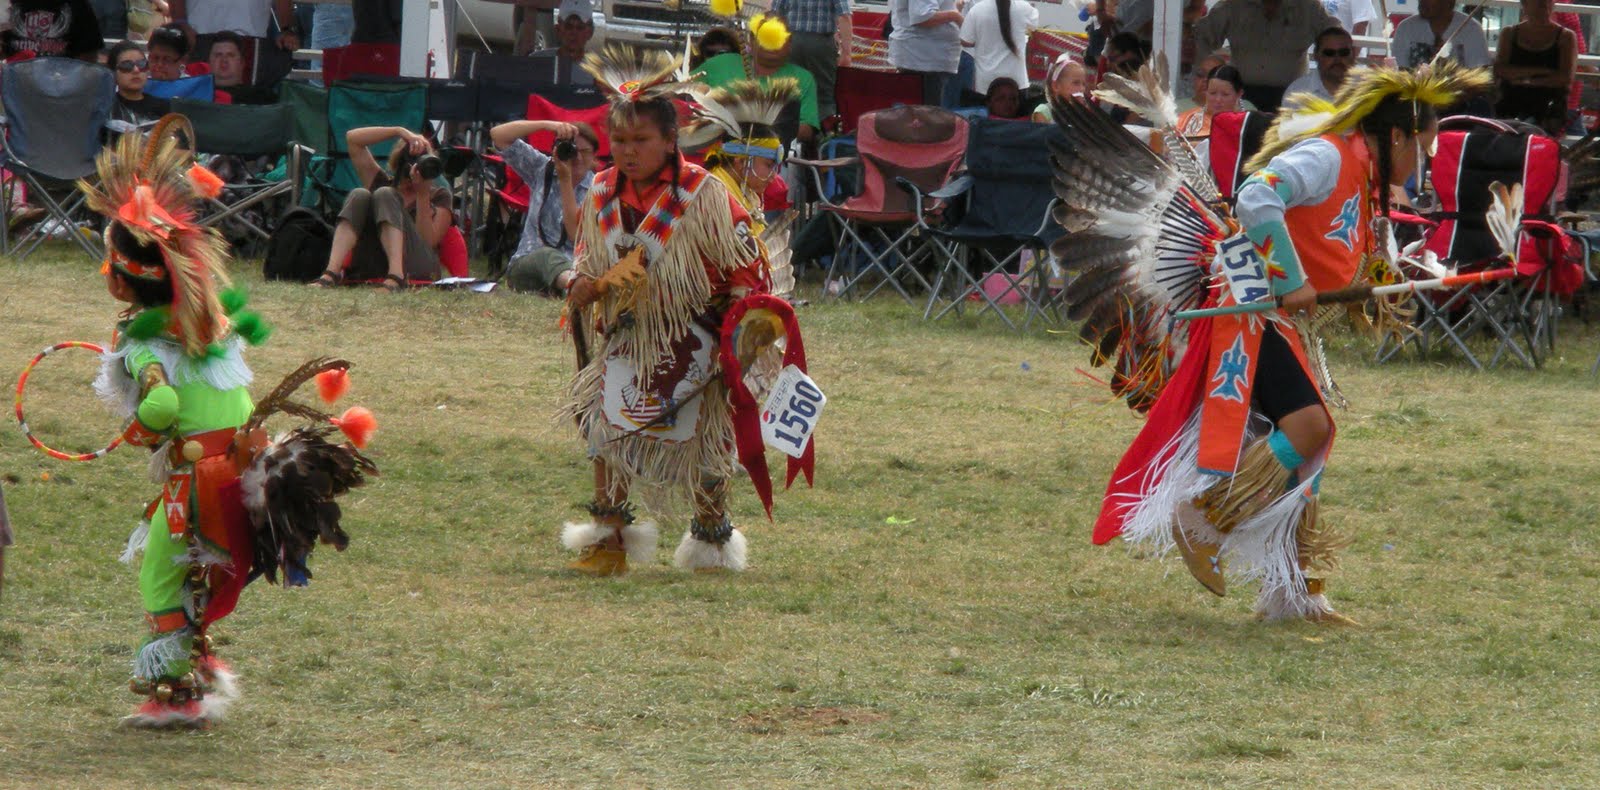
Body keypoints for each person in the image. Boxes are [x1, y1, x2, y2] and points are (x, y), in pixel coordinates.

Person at [1081, 62, 1490, 623]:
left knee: (1308, 453)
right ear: (1395, 136)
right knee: (1309, 429)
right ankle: (1205, 519)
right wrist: (1293, 279)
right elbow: (1256, 197)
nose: (1425, 161)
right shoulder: (1328, 156)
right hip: (1247, 312)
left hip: (1279, 319)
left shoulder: (1367, 179)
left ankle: (1294, 595)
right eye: (1423, 147)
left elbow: (1339, 250)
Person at [79, 115, 375, 727]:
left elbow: (160, 406)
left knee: (163, 573)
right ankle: (202, 655)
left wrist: (137, 430)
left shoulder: (144, 345)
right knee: (202, 566)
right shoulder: (214, 325)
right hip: (247, 467)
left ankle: (177, 695)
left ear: (123, 277)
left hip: (201, 478)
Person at [560, 44, 792, 576]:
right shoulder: (599, 191)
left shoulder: (706, 195)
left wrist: (736, 343)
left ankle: (711, 541)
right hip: (628, 335)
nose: (627, 150)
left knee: (705, 445)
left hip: (699, 337)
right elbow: (584, 258)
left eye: (640, 140)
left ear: (671, 140)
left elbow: (748, 274)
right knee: (606, 430)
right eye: (618, 139)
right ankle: (610, 537)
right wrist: (579, 283)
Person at [680, 77, 803, 294]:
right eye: (768, 165)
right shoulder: (714, 194)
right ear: (742, 161)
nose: (774, 175)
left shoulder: (746, 195)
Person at [311, 126, 453, 290]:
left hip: (418, 267)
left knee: (385, 194)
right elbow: (353, 139)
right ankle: (330, 274)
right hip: (375, 262)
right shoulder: (383, 183)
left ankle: (396, 278)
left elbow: (429, 242)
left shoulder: (439, 195)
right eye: (407, 164)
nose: (412, 173)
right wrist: (399, 132)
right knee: (360, 194)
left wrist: (423, 195)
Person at [491, 119, 598, 296]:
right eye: (572, 151)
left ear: (594, 155)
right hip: (529, 263)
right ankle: (574, 288)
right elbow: (498, 135)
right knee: (546, 255)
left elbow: (577, 237)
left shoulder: (599, 188)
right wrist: (549, 125)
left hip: (577, 266)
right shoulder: (544, 169)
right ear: (558, 151)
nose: (578, 158)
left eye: (585, 152)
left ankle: (571, 287)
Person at [693, 14, 821, 144]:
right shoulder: (719, 64)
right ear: (751, 40)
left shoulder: (803, 78)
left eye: (778, 37)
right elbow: (680, 96)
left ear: (790, 42)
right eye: (766, 36)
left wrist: (760, 130)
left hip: (774, 157)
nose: (771, 43)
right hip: (713, 151)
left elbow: (806, 130)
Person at [1192, 0, 1335, 112]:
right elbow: (1201, 36)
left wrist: (1326, 81)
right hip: (1240, 93)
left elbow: (1336, 36)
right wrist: (1212, 73)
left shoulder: (1309, 7)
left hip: (1292, 96)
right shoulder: (1233, 5)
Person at [1493, 0, 1578, 135]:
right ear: (1525, 4)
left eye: (1548, 2)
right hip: (1511, 101)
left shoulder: (1566, 36)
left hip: (1548, 106)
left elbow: (1564, 78)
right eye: (1538, 2)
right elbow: (1500, 69)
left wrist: (1524, 79)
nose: (1544, 5)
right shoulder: (1509, 33)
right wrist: (1542, 71)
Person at [771, 0, 852, 121]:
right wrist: (847, 53)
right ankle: (820, 133)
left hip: (790, 43)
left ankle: (789, 134)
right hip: (820, 45)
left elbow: (775, 14)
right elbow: (844, 16)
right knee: (821, 96)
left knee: (790, 93)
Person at [888, 0, 963, 107]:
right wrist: (956, 16)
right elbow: (923, 16)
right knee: (927, 116)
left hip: (928, 59)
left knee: (927, 114)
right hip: (923, 61)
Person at [959, 0, 1038, 96]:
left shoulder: (977, 10)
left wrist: (983, 41)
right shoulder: (1024, 8)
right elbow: (1034, 25)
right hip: (1017, 81)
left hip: (986, 83)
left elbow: (965, 41)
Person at [1390, 0, 1492, 70]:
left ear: (1449, 2)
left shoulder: (1471, 29)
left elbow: (1479, 74)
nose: (1422, 1)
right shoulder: (1406, 27)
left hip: (1460, 98)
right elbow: (1399, 71)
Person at [527, 0, 596, 87]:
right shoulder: (537, 61)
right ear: (558, 30)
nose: (573, 33)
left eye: (580, 27)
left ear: (590, 33)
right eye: (568, 26)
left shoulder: (599, 69)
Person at [2, 0, 103, 59]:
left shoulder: (77, 4)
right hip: (14, 85)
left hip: (62, 87)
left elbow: (89, 54)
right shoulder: (5, 3)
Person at [1283, 26, 1356, 105]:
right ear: (1316, 55)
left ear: (1354, 53)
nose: (1337, 59)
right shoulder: (1296, 92)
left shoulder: (1367, 90)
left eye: (1344, 52)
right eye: (1329, 53)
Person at [108, 40, 171, 129]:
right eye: (126, 65)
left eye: (141, 64)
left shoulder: (164, 107)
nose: (136, 70)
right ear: (113, 73)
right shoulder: (105, 107)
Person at [1175, 63, 1244, 138]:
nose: (1218, 99)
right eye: (1212, 93)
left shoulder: (1247, 124)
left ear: (1239, 94)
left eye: (1225, 94)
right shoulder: (1185, 120)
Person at [1032, 53, 1087, 122]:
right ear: (1056, 86)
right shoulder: (1044, 112)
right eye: (1076, 83)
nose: (1082, 89)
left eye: (1084, 84)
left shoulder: (1081, 112)